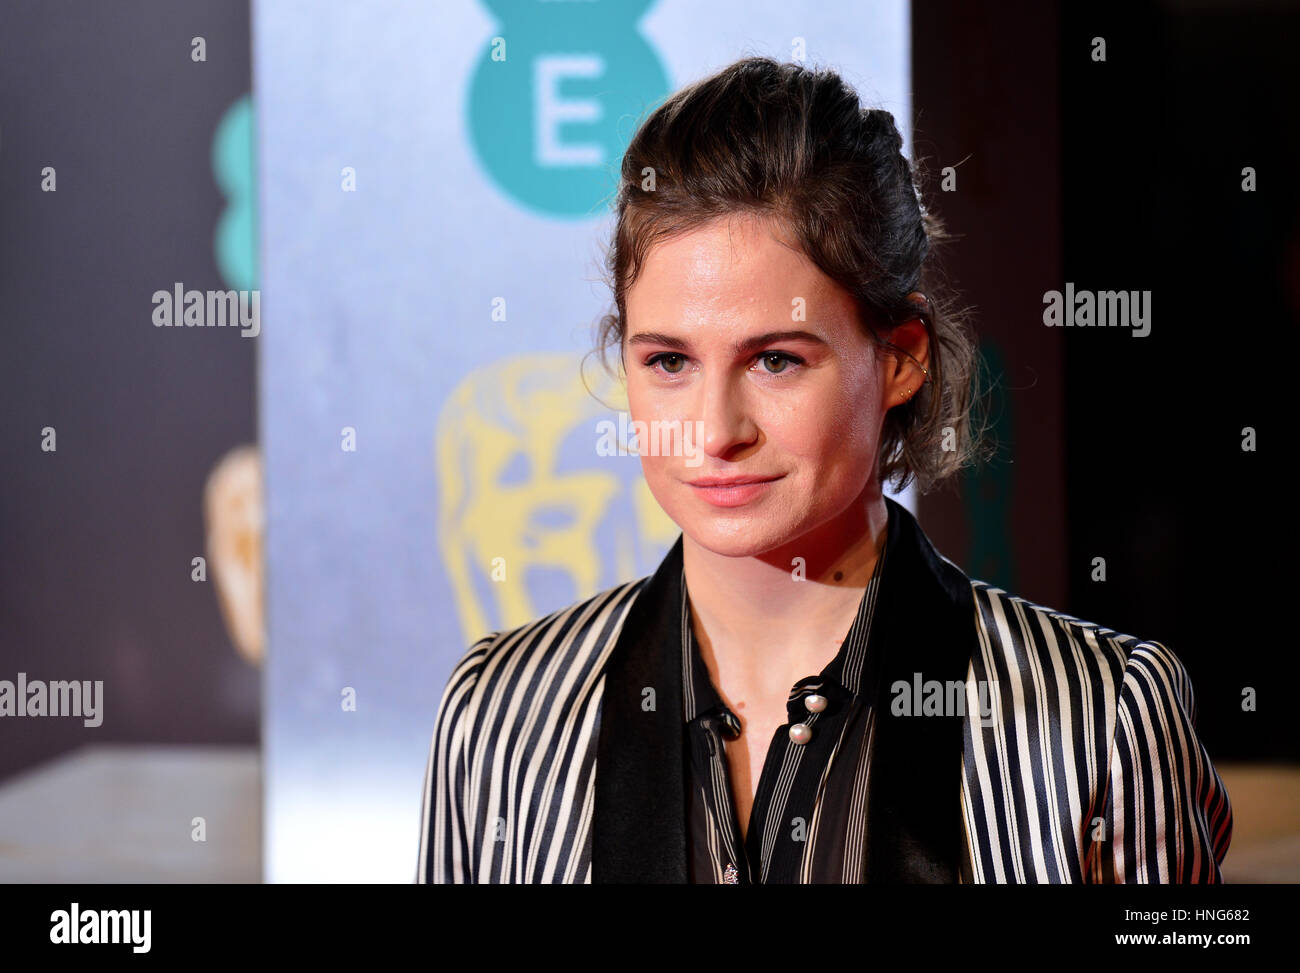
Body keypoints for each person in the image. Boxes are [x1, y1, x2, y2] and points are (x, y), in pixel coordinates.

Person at [416, 56, 1232, 884]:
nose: (714, 430)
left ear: (900, 358)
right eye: (669, 362)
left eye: (775, 360)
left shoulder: (1097, 718)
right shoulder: (502, 716)